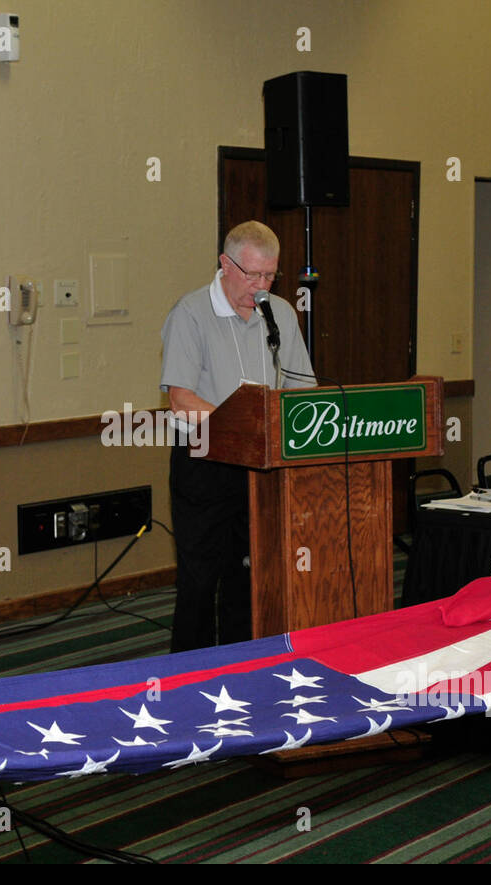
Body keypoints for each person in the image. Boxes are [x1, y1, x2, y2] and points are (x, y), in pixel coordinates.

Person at [159, 221, 314, 653]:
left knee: (248, 573)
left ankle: (242, 666)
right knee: (200, 577)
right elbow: (181, 398)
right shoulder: (190, 314)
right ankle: (185, 676)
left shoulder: (279, 313)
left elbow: (302, 389)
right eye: (253, 275)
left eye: (270, 276)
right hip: (204, 463)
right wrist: (244, 426)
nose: (262, 286)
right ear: (225, 265)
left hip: (262, 466)